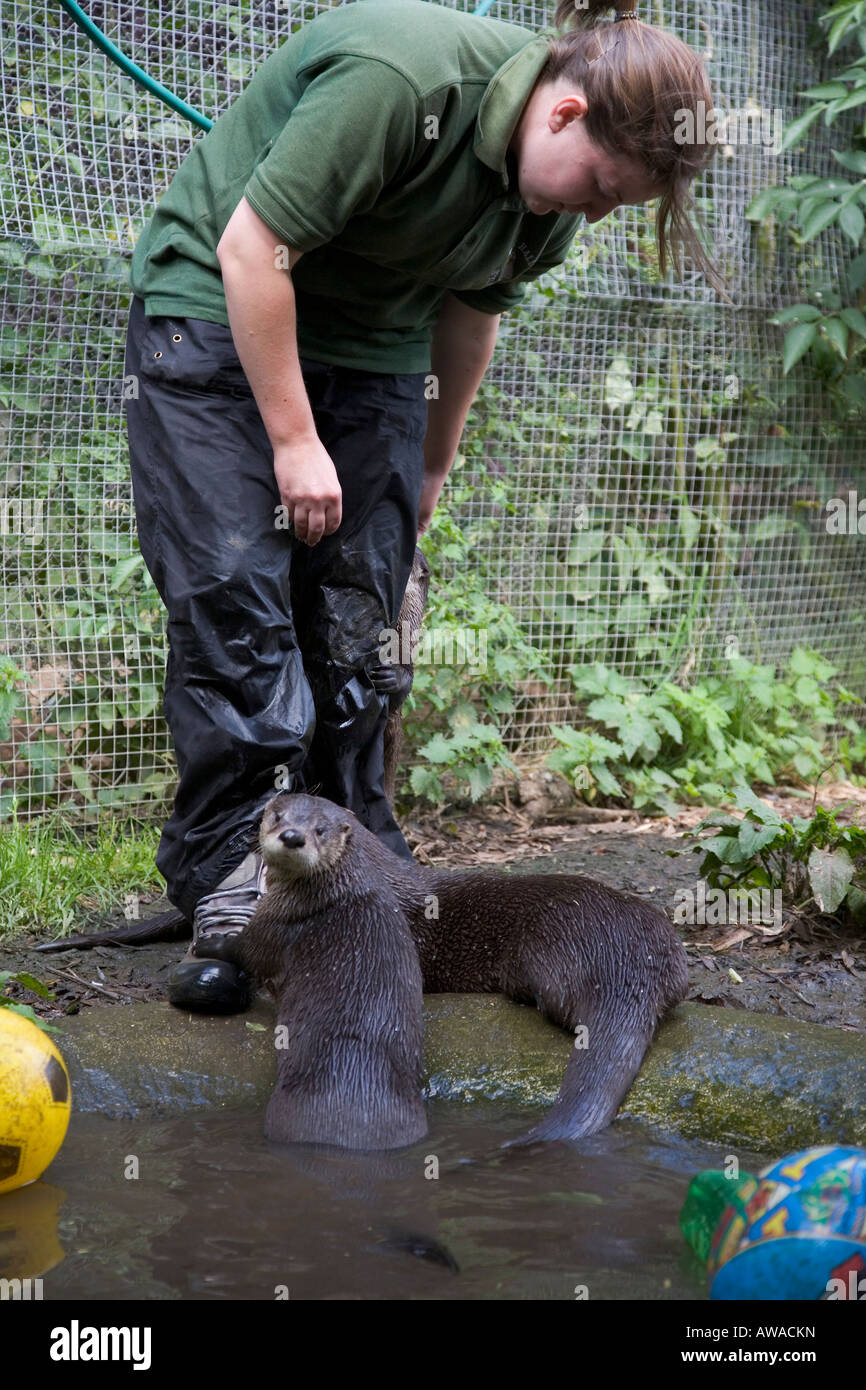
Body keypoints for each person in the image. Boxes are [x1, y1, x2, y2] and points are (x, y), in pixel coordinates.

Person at [124, 0, 721, 1012]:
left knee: (366, 619)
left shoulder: (545, 204)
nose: (591, 216)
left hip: (377, 349)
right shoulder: (402, 83)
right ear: (564, 113)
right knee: (239, 604)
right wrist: (293, 439)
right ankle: (233, 886)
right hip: (218, 312)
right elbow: (253, 249)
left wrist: (431, 463)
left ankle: (357, 877)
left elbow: (470, 311)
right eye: (598, 188)